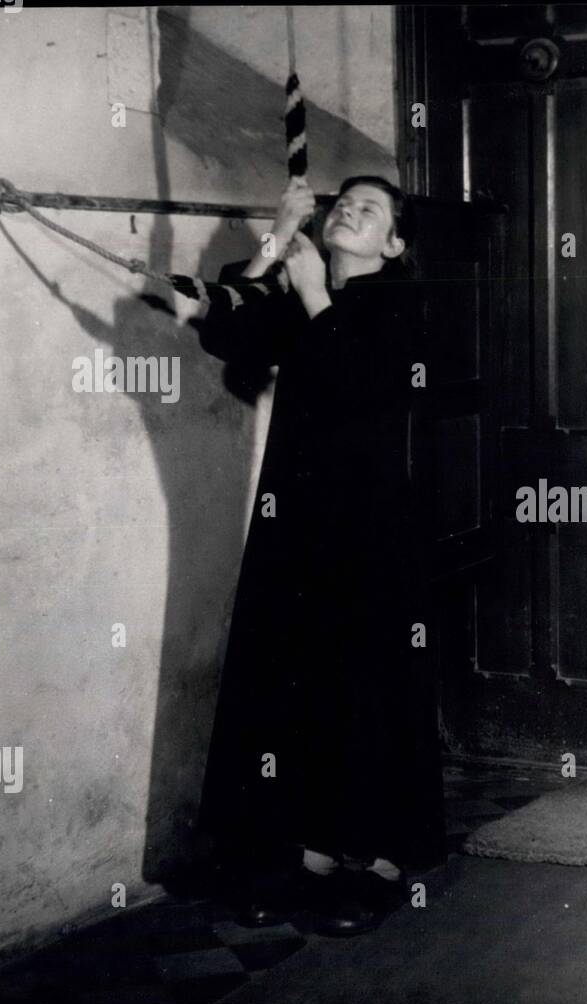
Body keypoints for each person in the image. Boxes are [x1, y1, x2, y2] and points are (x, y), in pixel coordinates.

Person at [195, 174, 437, 935]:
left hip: (371, 533)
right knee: (296, 682)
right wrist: (273, 240)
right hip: (295, 525)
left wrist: (314, 295)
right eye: (343, 203)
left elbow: (362, 388)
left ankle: (382, 861)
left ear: (394, 243)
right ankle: (310, 855)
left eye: (370, 210)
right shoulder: (301, 294)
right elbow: (228, 337)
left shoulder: (405, 307)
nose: (348, 211)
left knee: (364, 685)